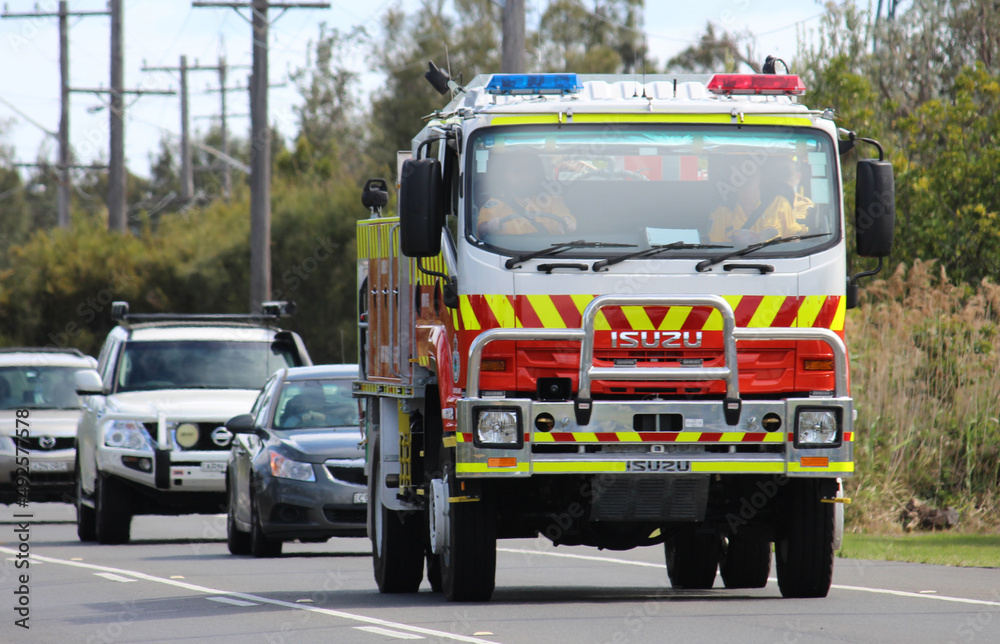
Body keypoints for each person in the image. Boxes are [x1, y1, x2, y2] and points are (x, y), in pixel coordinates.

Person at [708, 156, 811, 245]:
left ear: (759, 177)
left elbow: (793, 239)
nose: (744, 180)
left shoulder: (779, 203)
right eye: (738, 175)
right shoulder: (723, 211)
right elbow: (715, 245)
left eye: (749, 174)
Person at [477, 150, 577, 237]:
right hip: (506, 256)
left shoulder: (551, 201)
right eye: (517, 171)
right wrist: (489, 226)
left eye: (529, 170)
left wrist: (566, 223)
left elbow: (565, 217)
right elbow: (481, 230)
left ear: (537, 174)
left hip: (550, 255)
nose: (523, 176)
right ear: (505, 175)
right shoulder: (495, 204)